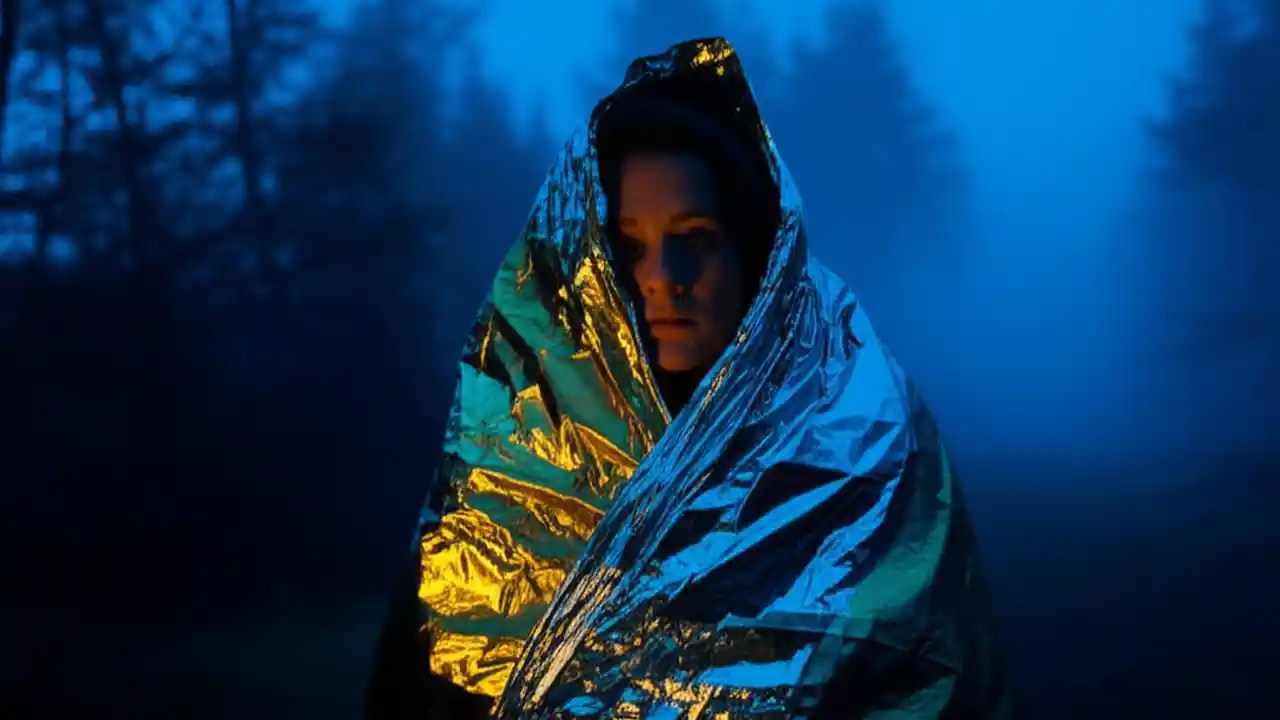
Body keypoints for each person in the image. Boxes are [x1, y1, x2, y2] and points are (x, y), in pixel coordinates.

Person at [367, 38, 1008, 719]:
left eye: (694, 238)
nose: (661, 281)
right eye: (630, 246)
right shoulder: (526, 451)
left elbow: (930, 676)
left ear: (753, 251)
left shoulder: (860, 444)